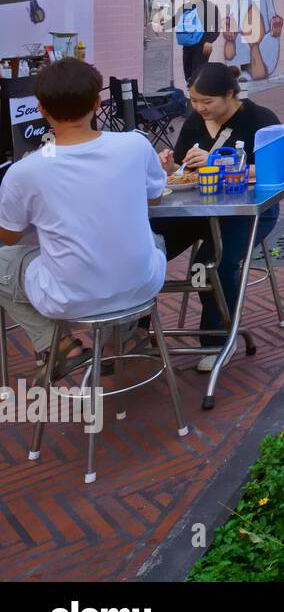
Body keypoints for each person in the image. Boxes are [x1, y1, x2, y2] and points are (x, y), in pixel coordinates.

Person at [0, 59, 167, 378]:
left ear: (41, 110)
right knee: (154, 241)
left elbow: (8, 236)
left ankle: (58, 344)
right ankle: (121, 339)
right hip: (141, 288)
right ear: (97, 102)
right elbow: (155, 197)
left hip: (68, 299)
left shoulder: (25, 171)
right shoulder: (135, 144)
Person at [153, 63, 282, 371]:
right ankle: (138, 325)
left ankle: (218, 340)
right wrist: (170, 167)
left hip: (248, 211)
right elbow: (185, 170)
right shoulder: (195, 123)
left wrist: (217, 163)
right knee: (146, 244)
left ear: (230, 94)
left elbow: (273, 170)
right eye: (194, 101)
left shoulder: (260, 120)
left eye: (207, 102)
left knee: (211, 264)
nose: (199, 108)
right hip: (197, 209)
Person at [177, 0, 218, 84]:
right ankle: (192, 98)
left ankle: (200, 98)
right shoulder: (185, 7)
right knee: (189, 77)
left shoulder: (209, 7)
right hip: (187, 46)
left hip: (202, 46)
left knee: (198, 77)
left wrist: (209, 41)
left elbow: (216, 27)